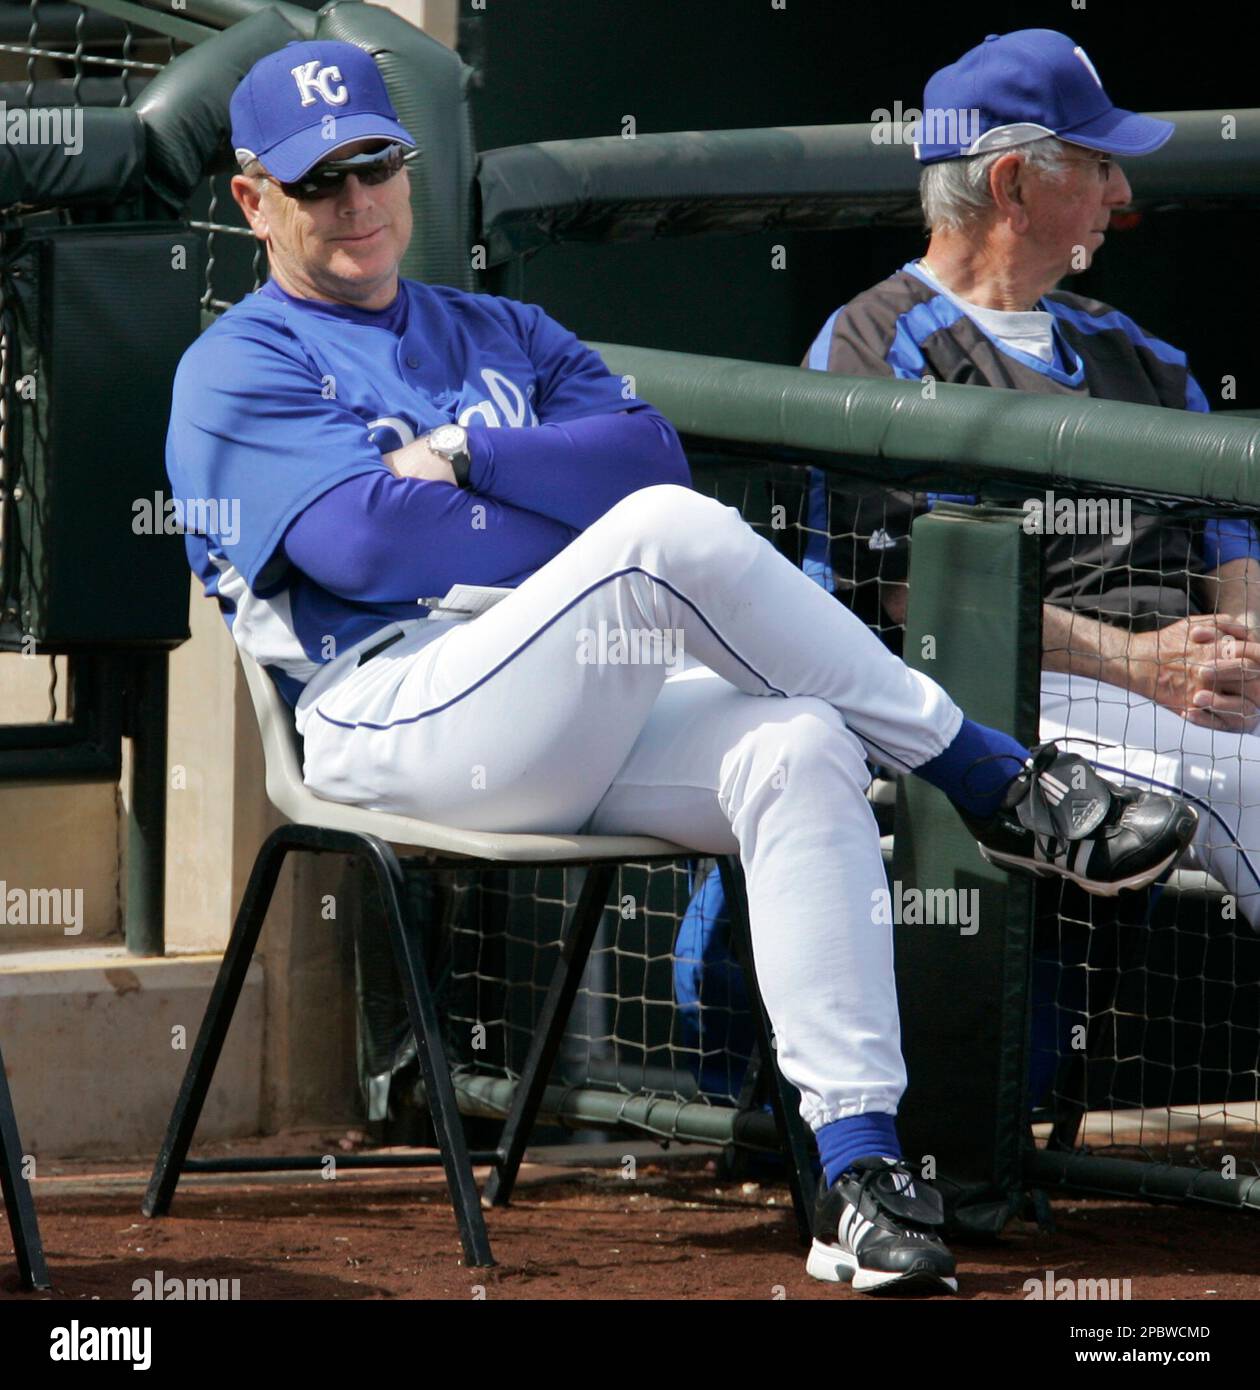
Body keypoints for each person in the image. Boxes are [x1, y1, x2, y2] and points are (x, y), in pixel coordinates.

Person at [166, 40, 1197, 1296]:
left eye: (377, 163)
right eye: (319, 179)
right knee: (666, 544)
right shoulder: (239, 363)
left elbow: (650, 455)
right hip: (391, 710)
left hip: (577, 695)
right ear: (252, 199)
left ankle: (859, 1172)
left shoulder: (500, 325)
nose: (358, 199)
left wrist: (477, 463)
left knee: (798, 744)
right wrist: (558, 502)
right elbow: (366, 538)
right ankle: (999, 781)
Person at [805, 28, 1260, 933]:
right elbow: (909, 594)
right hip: (1002, 700)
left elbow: (1233, 539)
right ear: (1013, 182)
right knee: (1234, 778)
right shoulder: (874, 341)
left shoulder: (1137, 349)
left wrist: (1244, 651)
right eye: (1097, 164)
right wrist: (1139, 661)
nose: (1122, 192)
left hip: (1190, 689)